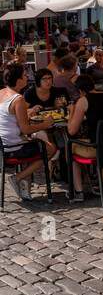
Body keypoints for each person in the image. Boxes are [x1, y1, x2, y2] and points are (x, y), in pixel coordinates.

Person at [0, 62, 57, 200]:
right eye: (25, 76)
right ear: (18, 80)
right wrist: (45, 124)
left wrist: (27, 113)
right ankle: (18, 178)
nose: (27, 78)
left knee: (35, 144)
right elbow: (25, 129)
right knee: (51, 148)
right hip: (14, 148)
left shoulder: (2, 93)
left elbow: (9, 115)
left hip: (3, 146)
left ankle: (25, 187)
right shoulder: (18, 99)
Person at [66, 72, 103, 199]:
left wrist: (71, 111)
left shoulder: (83, 101)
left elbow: (71, 131)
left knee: (69, 146)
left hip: (96, 147)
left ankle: (78, 191)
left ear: (80, 90)